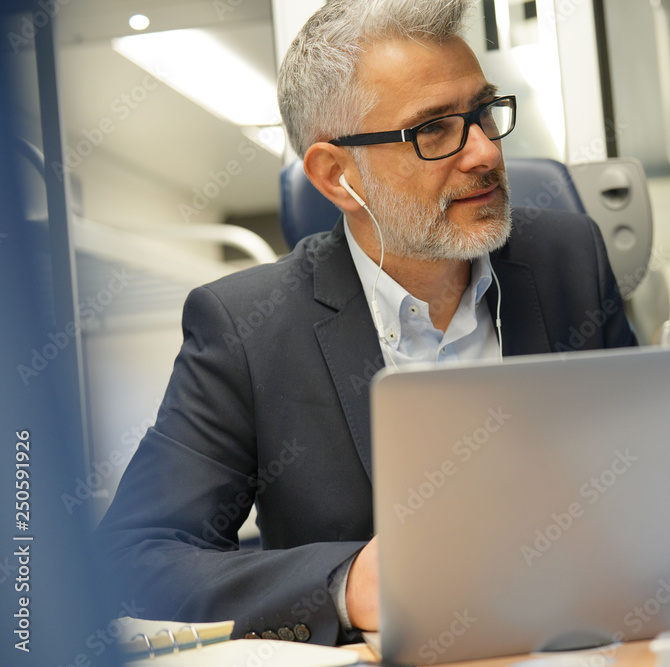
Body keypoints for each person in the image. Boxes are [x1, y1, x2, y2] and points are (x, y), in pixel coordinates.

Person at [97, 0, 636, 647]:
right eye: (434, 130)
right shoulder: (248, 328)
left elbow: (652, 469)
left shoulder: (567, 259)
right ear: (336, 175)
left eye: (484, 112)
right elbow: (131, 560)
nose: (486, 151)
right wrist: (347, 582)